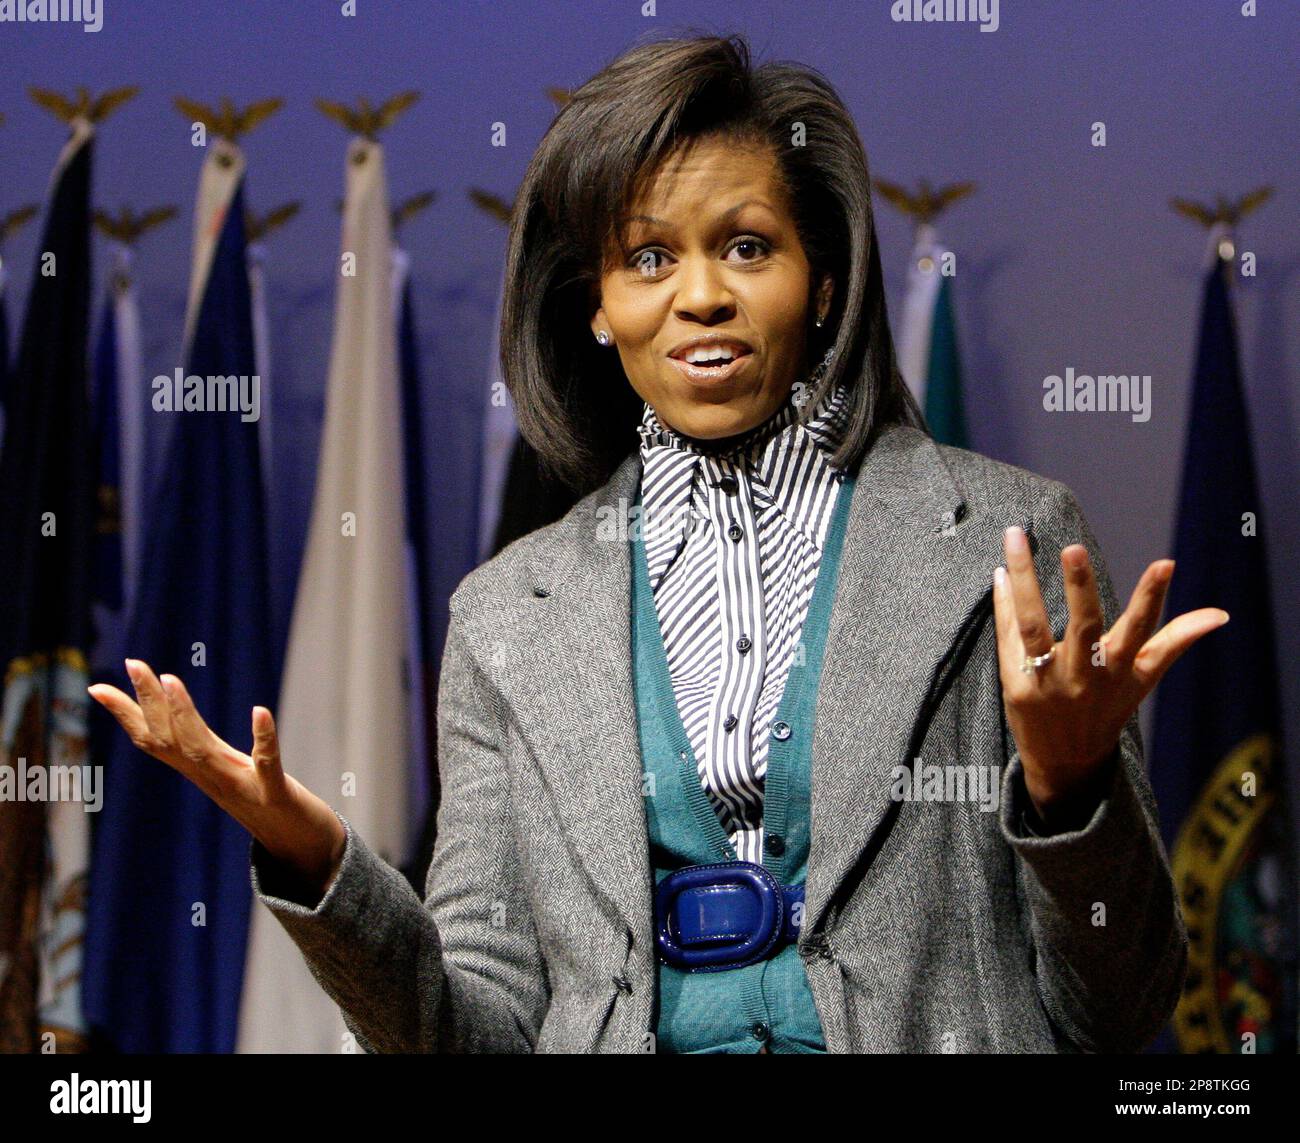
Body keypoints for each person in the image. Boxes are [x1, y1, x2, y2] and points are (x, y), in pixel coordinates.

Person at [90, 33, 1224, 1054]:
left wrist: (1067, 791)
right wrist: (321, 869)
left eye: (746, 246)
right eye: (646, 259)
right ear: (595, 301)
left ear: (820, 284)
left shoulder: (1008, 546)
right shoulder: (503, 616)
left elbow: (1119, 1014)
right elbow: (468, 1033)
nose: (700, 298)